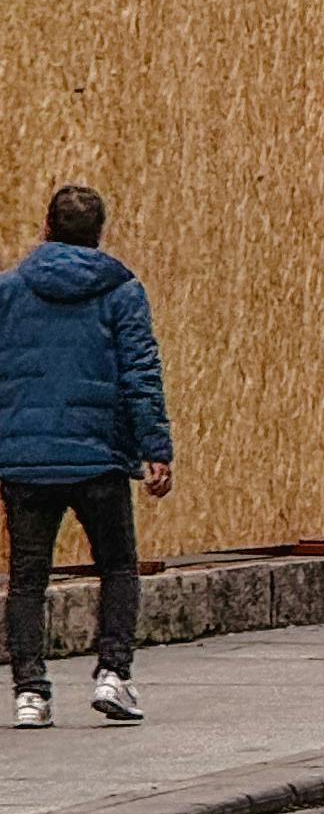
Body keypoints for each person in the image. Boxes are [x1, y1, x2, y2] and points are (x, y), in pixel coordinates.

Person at [0, 182, 172, 732]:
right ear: (99, 234)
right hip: (99, 457)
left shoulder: (9, 291)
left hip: (26, 460)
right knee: (117, 566)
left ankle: (30, 693)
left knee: (27, 580)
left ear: (46, 228)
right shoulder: (121, 291)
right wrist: (155, 449)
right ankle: (112, 674)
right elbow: (140, 373)